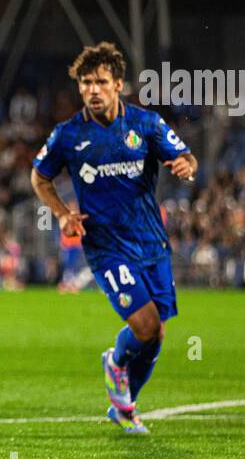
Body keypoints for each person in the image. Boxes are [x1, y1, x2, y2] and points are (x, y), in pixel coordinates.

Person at [31, 41, 197, 435]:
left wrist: (185, 166)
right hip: (106, 245)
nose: (93, 89)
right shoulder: (68, 135)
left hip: (151, 243)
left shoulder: (146, 125)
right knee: (143, 325)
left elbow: (187, 157)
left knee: (156, 333)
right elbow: (39, 177)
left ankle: (125, 403)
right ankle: (117, 364)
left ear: (118, 84)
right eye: (86, 82)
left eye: (101, 82)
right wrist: (62, 213)